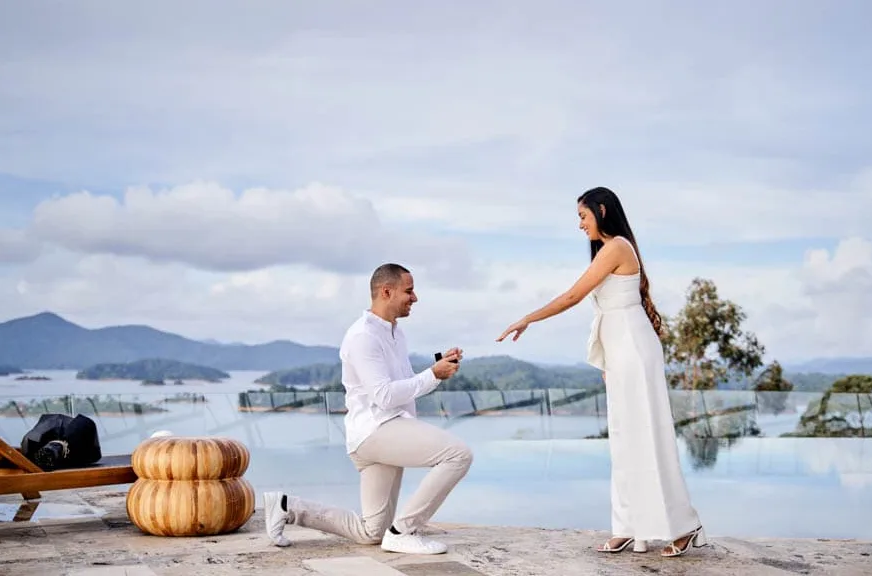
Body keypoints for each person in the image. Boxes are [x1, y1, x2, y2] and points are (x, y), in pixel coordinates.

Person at [496, 187, 706, 557]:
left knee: (648, 438)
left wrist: (528, 318)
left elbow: (572, 297)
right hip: (622, 352)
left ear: (602, 210)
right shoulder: (610, 250)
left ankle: (683, 526)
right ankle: (629, 527)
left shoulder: (618, 247)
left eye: (583, 216)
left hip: (635, 351)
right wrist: (608, 361)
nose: (580, 225)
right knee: (625, 440)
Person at [263, 263, 473, 555]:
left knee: (371, 532)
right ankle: (403, 531)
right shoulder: (363, 336)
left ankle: (287, 506)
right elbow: (384, 396)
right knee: (458, 454)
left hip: (386, 432)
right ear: (386, 291)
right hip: (376, 431)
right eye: (409, 291)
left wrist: (437, 370)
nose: (415, 298)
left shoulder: (395, 333)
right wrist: (433, 374)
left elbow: (403, 386)